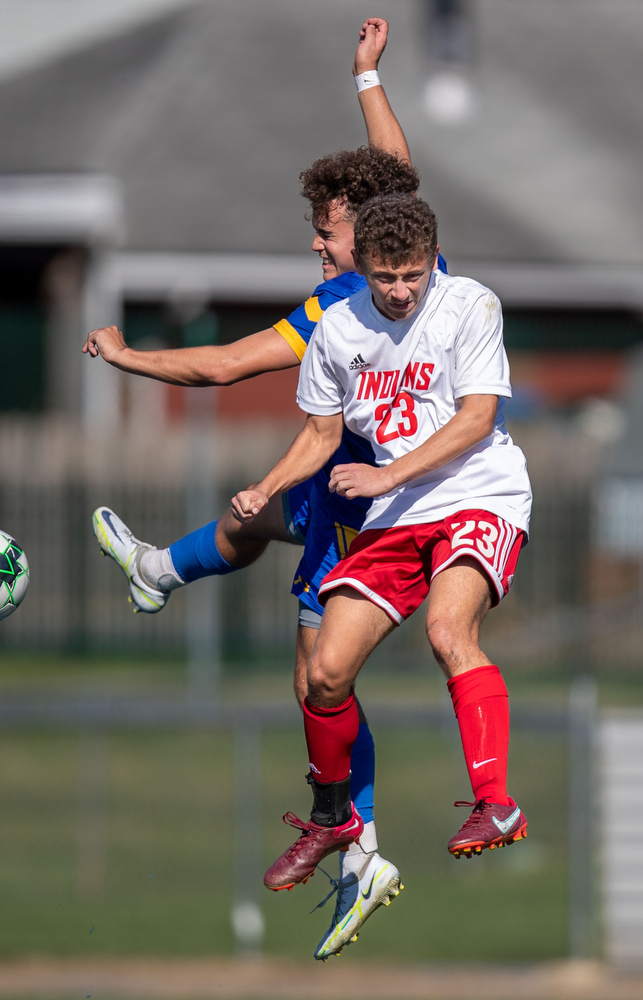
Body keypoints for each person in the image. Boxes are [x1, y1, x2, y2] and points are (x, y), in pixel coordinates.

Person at [83, 19, 436, 959]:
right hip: (371, 491)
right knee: (260, 522)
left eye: (323, 231)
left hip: (377, 501)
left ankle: (359, 850)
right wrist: (365, 76)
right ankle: (160, 569)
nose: (316, 246)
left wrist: (125, 357)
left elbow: (223, 366)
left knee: (317, 677)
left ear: (356, 230)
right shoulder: (422, 269)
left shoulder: (346, 299)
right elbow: (395, 169)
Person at [230, 194, 532, 906]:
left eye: (414, 274)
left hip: (477, 494)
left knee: (447, 629)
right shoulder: (336, 329)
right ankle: (335, 820)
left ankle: (496, 800)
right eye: (387, 276)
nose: (401, 291)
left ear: (433, 260)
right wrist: (265, 486)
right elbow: (320, 434)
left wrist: (387, 473)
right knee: (324, 676)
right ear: (361, 264)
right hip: (396, 513)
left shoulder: (469, 306)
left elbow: (478, 417)